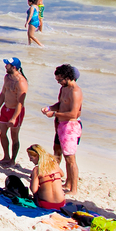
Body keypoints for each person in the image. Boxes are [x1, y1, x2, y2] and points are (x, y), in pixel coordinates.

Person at [41, 63, 82, 196]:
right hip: (60, 125)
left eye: (59, 79)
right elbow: (61, 104)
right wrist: (50, 108)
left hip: (70, 126)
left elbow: (73, 114)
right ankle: (67, 182)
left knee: (70, 158)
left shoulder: (76, 91)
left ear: (67, 77)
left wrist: (54, 114)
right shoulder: (64, 88)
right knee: (57, 151)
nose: (58, 82)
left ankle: (74, 189)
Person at [0, 57, 28, 165]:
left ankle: (12, 160)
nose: (5, 66)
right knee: (1, 132)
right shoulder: (7, 78)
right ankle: (6, 156)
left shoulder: (21, 82)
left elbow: (20, 102)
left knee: (14, 136)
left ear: (14, 67)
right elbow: (3, 93)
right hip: (5, 108)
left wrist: (14, 118)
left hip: (16, 111)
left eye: (7, 65)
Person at [26, 143, 66, 211]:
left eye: (31, 158)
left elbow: (34, 189)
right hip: (61, 204)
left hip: (46, 204)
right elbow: (62, 174)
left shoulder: (37, 170)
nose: (30, 160)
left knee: (38, 188)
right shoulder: (54, 164)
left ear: (38, 156)